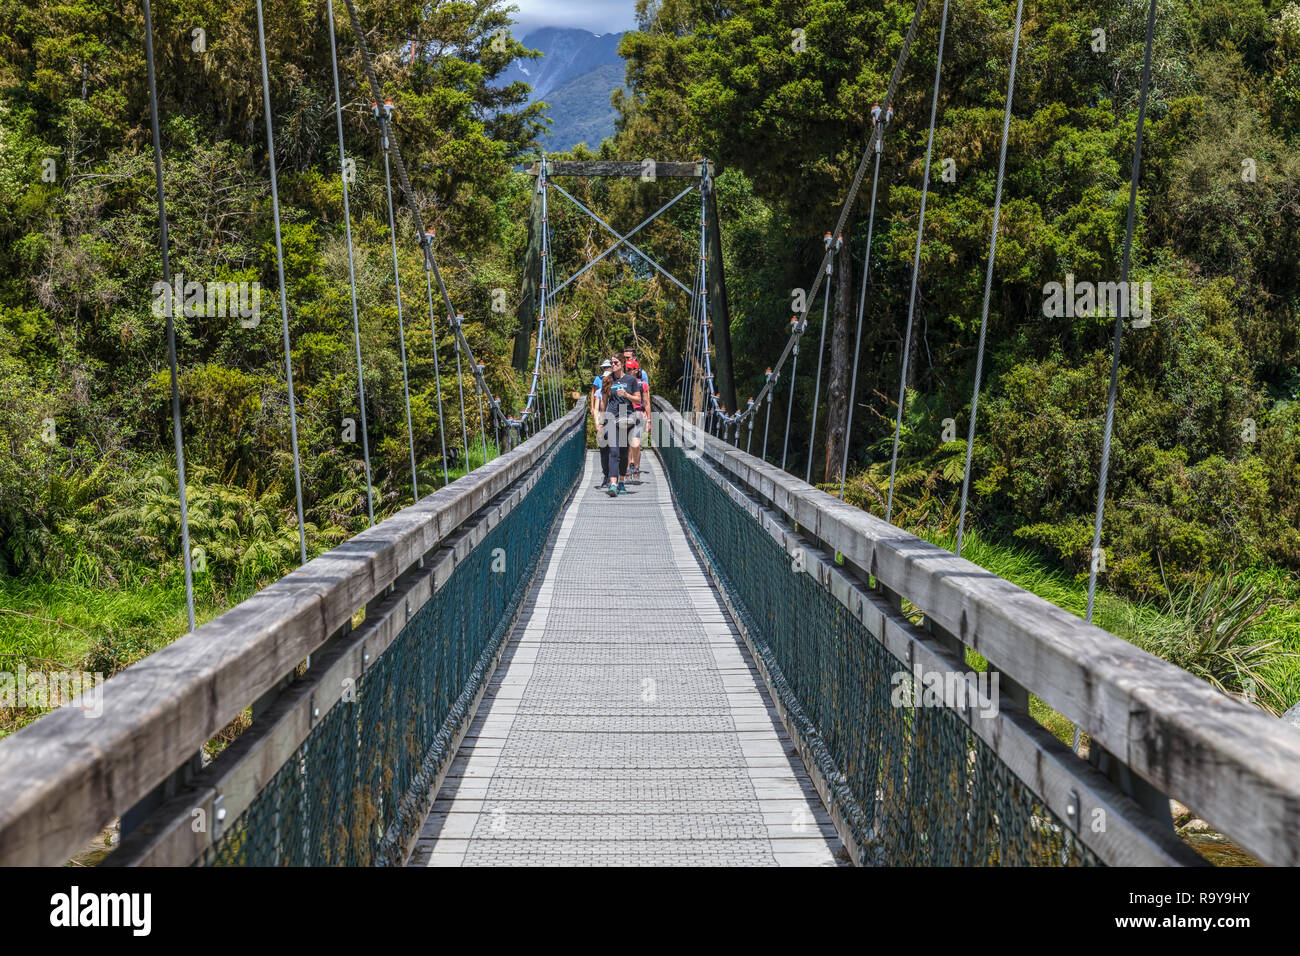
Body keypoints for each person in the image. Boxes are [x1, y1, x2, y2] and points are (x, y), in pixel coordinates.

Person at [600, 354, 643, 496]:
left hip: (627, 419)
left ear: (622, 363)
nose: (613, 365)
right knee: (614, 452)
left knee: (624, 453)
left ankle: (622, 482)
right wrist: (601, 422)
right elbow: (603, 403)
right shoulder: (607, 380)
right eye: (611, 363)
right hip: (611, 418)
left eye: (616, 362)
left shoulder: (631, 380)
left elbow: (638, 399)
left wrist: (625, 395)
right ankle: (613, 484)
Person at [622, 346, 651, 479]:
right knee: (627, 443)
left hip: (638, 413)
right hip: (625, 413)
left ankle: (635, 466)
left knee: (636, 443)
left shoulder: (642, 380)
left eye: (629, 369)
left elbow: (647, 399)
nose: (627, 371)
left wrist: (649, 419)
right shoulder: (620, 380)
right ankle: (628, 468)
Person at [591, 359, 612, 486]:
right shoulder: (599, 392)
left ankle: (611, 477)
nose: (605, 381)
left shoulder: (615, 391)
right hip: (602, 423)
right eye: (603, 379)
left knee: (613, 451)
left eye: (607, 379)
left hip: (613, 423)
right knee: (604, 452)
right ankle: (606, 474)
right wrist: (597, 425)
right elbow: (596, 408)